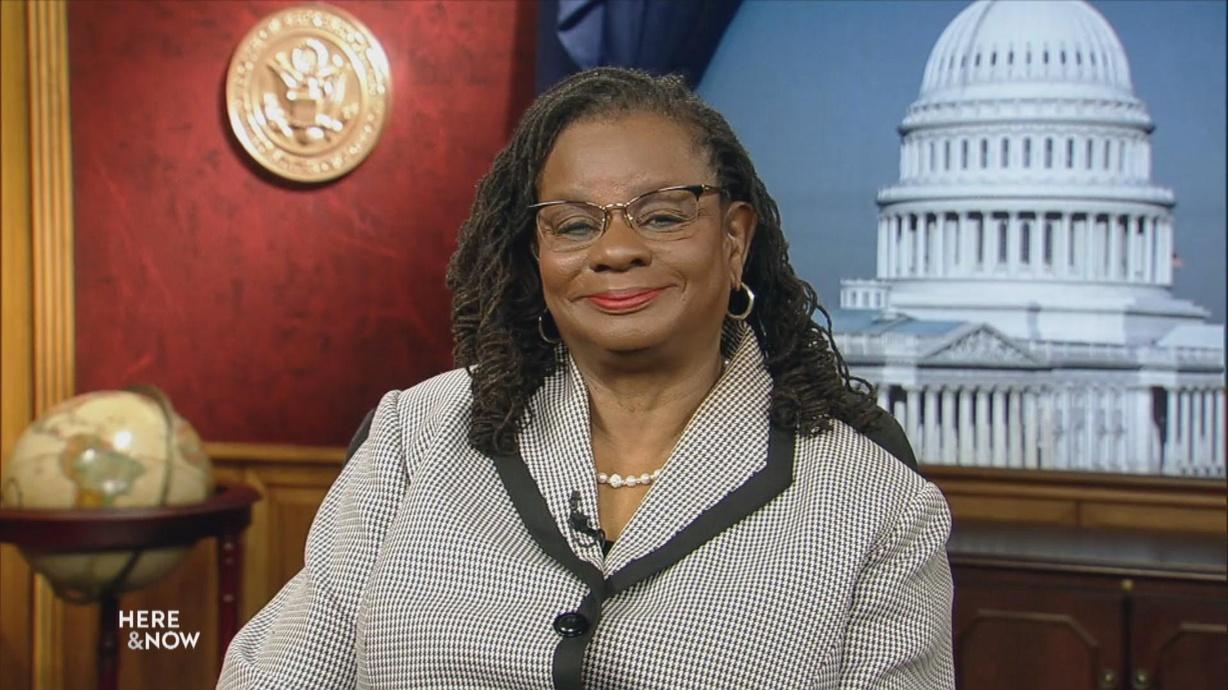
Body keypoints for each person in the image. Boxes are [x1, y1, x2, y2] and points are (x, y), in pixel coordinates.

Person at [218, 67, 953, 689]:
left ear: (734, 240)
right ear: (536, 259)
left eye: (663, 217)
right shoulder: (417, 436)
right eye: (574, 226)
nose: (616, 251)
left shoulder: (880, 506)